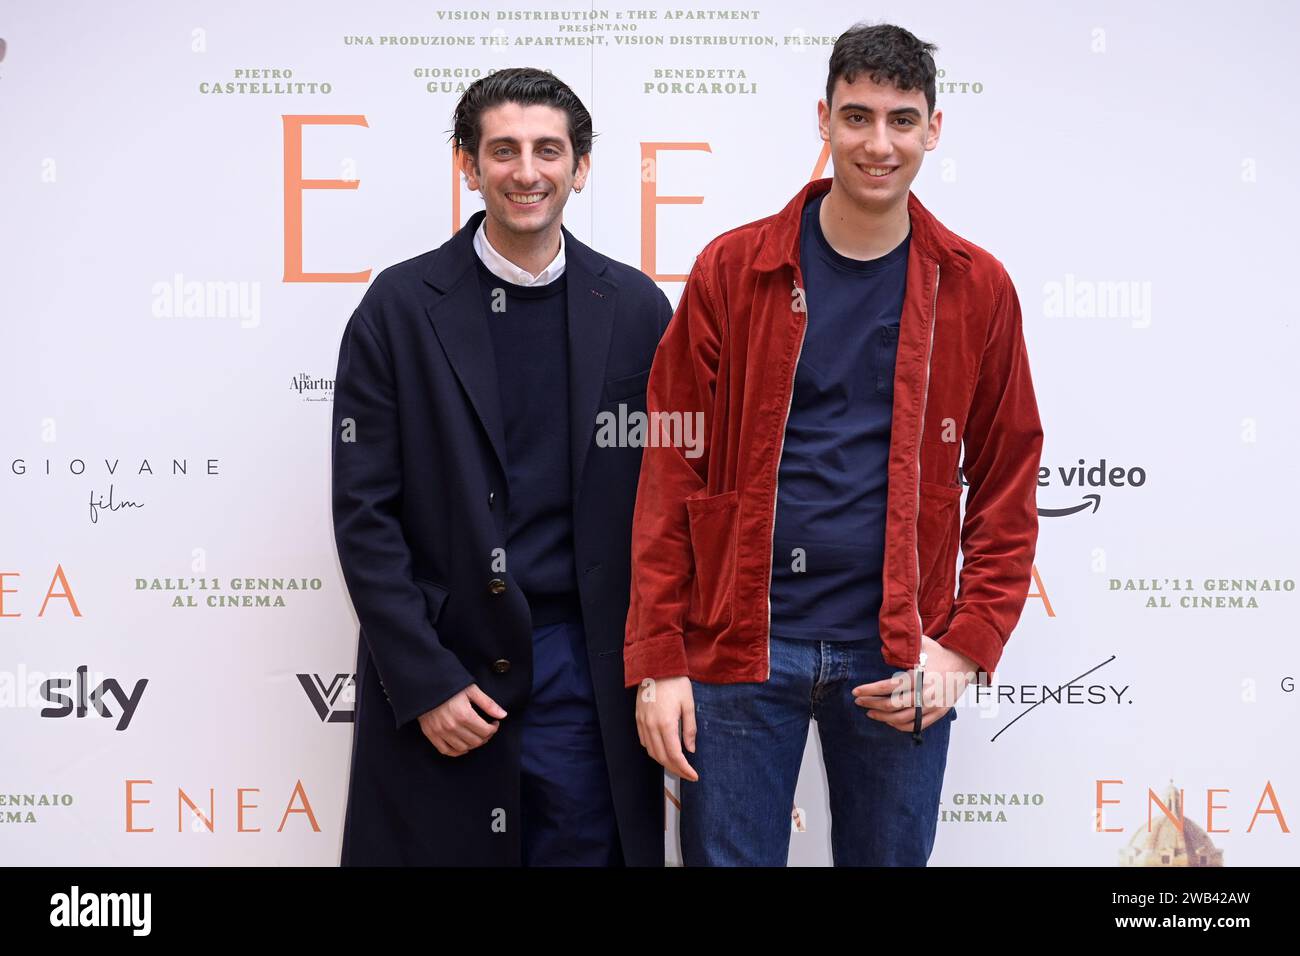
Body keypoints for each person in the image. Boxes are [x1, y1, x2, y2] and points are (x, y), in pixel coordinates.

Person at [625, 23, 1044, 866]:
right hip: (739, 646)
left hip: (899, 654)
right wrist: (660, 659)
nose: (878, 143)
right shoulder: (734, 269)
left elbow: (1008, 478)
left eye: (901, 120)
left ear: (933, 129)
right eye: (857, 117)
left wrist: (965, 647)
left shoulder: (976, 286)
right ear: (824, 119)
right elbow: (672, 469)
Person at [332, 67, 670, 866]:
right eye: (504, 150)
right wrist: (424, 678)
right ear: (468, 164)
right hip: (448, 664)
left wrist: (662, 663)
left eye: (548, 150)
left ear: (580, 168)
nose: (527, 171)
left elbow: (669, 505)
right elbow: (364, 516)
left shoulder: (635, 309)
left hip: (587, 671)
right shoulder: (398, 310)